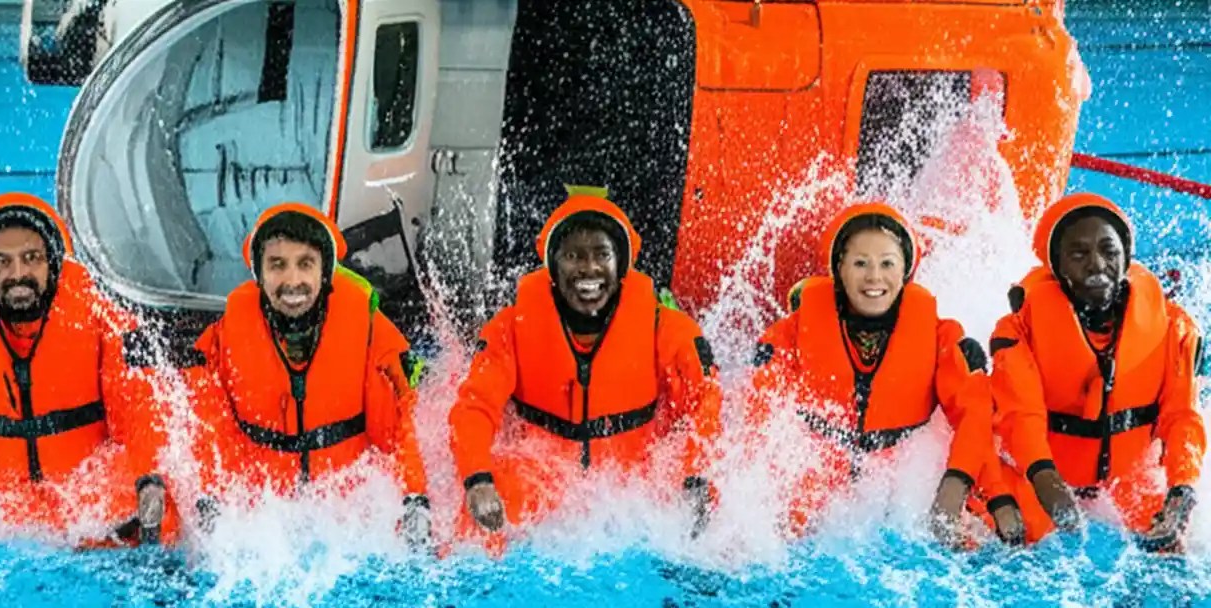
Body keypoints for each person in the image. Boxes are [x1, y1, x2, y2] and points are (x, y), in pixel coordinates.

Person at [450, 186, 722, 542]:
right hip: (541, 484)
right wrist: (477, 479)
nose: (589, 268)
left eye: (601, 254)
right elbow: (473, 407)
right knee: (476, 522)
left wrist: (696, 475)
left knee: (699, 516)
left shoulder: (666, 329)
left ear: (619, 263)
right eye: (574, 256)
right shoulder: (510, 329)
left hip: (630, 494)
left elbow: (707, 402)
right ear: (553, 265)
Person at [748, 203, 1023, 545]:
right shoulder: (793, 331)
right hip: (819, 458)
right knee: (776, 535)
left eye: (887, 263)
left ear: (906, 269)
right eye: (860, 263)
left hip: (903, 464)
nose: (874, 277)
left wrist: (958, 485)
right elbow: (761, 408)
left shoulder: (941, 337)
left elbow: (975, 413)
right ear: (840, 269)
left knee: (973, 540)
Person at [0, 193, 177, 547]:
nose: (18, 275)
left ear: (54, 263)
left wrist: (149, 481)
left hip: (86, 497)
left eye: (31, 258)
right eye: (2, 261)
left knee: (163, 517)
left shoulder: (103, 322)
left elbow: (140, 414)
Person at [189, 202, 431, 550]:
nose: (293, 281)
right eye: (277, 265)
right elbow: (205, 419)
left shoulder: (368, 329)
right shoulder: (225, 335)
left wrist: (414, 497)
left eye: (306, 264)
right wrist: (210, 494)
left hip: (348, 517)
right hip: (266, 518)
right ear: (259, 273)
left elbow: (405, 414)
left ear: (324, 271)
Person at [990, 193, 1205, 550]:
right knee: (1008, 539)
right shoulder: (1018, 329)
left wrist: (1182, 489)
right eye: (1079, 254)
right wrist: (1047, 483)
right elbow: (1020, 415)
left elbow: (1183, 417)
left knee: (1175, 548)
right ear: (1057, 268)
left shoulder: (1171, 326)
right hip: (1042, 477)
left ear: (1126, 259)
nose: (1096, 264)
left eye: (1109, 251)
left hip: (1125, 485)